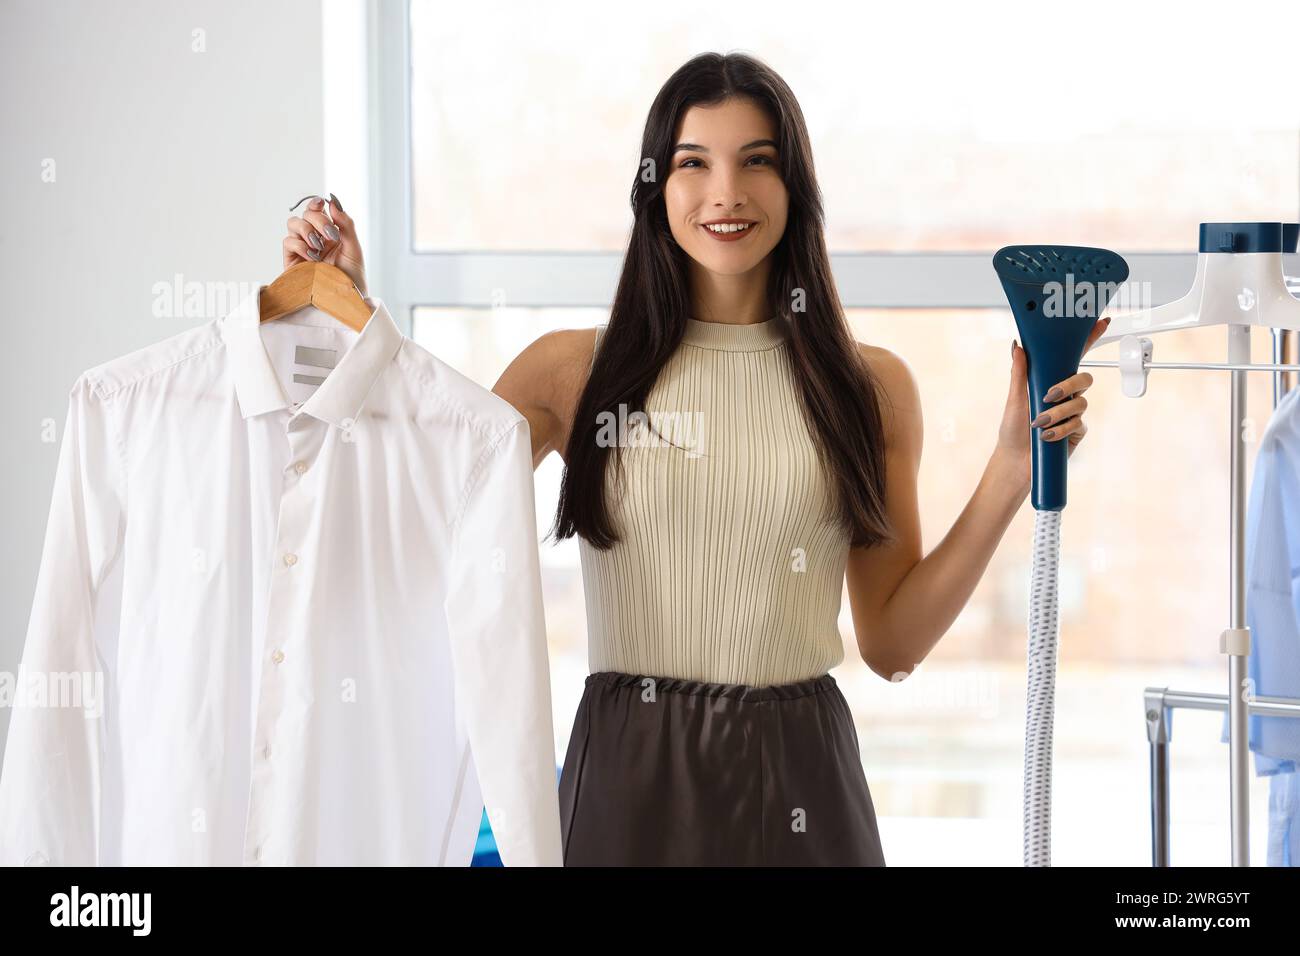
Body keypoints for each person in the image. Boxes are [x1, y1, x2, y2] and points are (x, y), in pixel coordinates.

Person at [279, 52, 1106, 866]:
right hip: (628, 770)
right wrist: (351, 319)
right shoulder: (570, 373)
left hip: (802, 774)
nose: (726, 193)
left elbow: (891, 643)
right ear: (656, 190)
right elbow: (418, 513)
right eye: (692, 163)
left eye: (757, 163)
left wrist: (1009, 468)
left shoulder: (869, 386)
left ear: (795, 189)